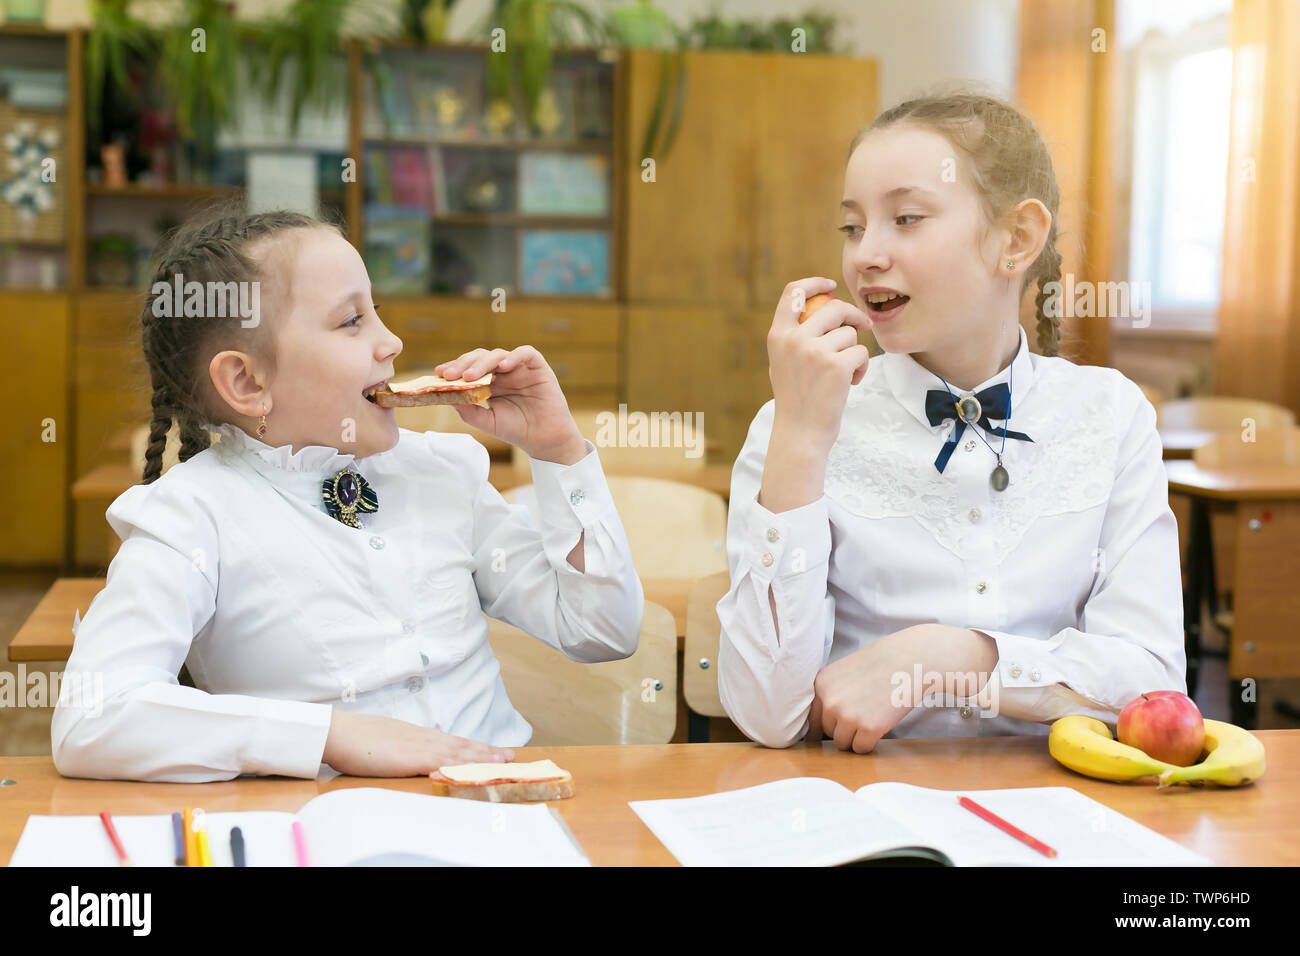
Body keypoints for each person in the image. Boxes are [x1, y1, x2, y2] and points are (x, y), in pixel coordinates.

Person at [52, 205, 643, 782]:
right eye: (351, 321)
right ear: (247, 382)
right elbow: (93, 717)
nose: (392, 343)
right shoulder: (190, 516)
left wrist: (559, 451)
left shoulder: (444, 471)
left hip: (502, 817)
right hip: (325, 828)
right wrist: (331, 735)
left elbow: (601, 631)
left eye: (377, 311)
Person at [717, 90, 1184, 752]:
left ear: (1016, 239)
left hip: (1067, 817)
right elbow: (767, 715)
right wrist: (798, 438)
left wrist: (954, 660)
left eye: (905, 219)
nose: (865, 256)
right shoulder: (792, 424)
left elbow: (1154, 686)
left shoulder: (1110, 414)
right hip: (866, 814)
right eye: (852, 227)